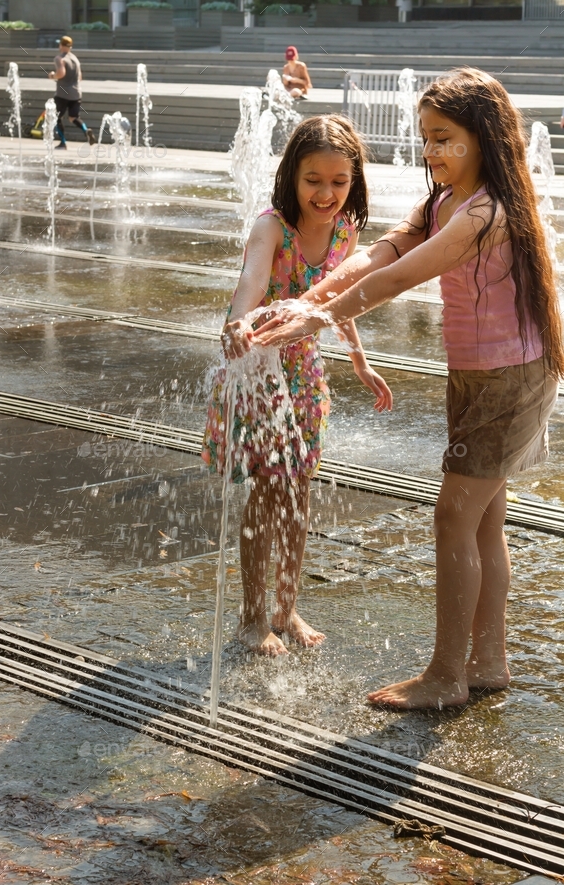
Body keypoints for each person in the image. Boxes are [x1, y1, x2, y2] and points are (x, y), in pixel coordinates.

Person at [254, 68, 564, 703]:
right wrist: (306, 302)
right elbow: (382, 255)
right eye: (426, 138)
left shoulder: (487, 211)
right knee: (482, 522)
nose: (432, 152)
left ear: (484, 137)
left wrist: (320, 318)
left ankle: (446, 676)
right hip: (482, 373)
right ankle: (487, 664)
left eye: (444, 138)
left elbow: (402, 279)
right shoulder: (446, 199)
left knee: (454, 518)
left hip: (508, 379)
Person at [202, 115, 393, 657]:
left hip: (304, 376)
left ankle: (286, 607)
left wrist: (360, 362)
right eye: (314, 180)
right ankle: (252, 616)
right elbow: (251, 285)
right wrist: (239, 322)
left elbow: (337, 301)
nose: (327, 193)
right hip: (260, 374)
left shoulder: (345, 231)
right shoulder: (271, 227)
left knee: (299, 491)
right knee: (265, 494)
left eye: (339, 181)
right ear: (292, 175)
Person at [48, 35, 95, 150]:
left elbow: (61, 73)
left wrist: (52, 76)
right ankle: (85, 130)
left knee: (57, 117)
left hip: (63, 93)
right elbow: (80, 77)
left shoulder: (60, 58)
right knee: (73, 117)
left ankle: (63, 143)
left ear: (61, 45)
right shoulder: (75, 59)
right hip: (76, 93)